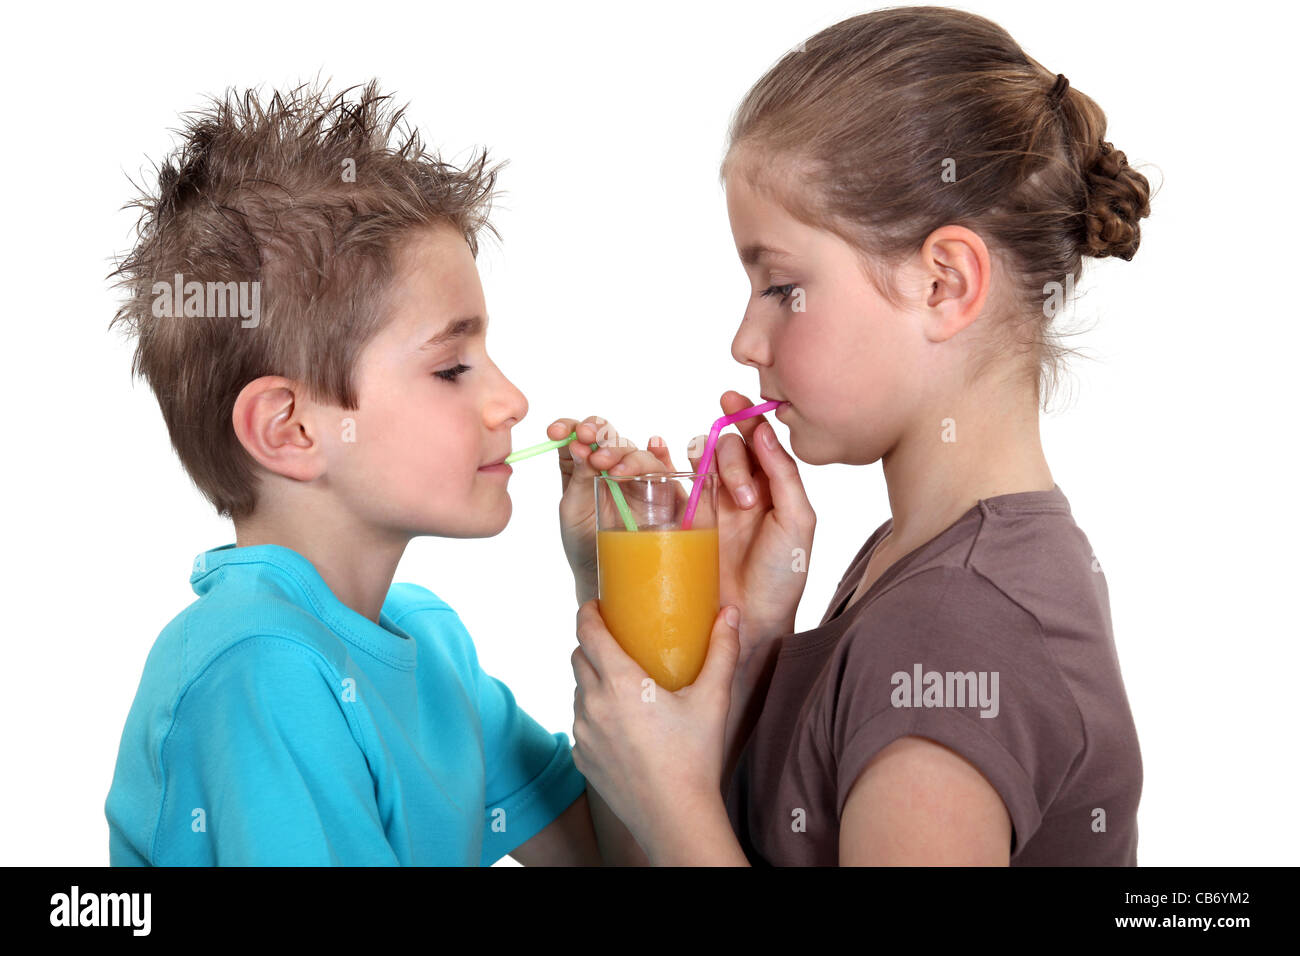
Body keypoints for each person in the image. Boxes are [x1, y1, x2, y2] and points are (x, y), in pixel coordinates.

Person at [568, 6, 1151, 865]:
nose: (745, 342)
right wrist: (744, 639)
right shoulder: (925, 565)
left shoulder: (953, 623)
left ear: (943, 285)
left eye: (781, 287)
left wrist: (670, 799)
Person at [103, 80, 661, 865]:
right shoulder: (259, 670)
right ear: (291, 429)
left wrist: (614, 582)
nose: (511, 400)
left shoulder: (431, 648)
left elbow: (614, 860)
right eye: (452, 367)